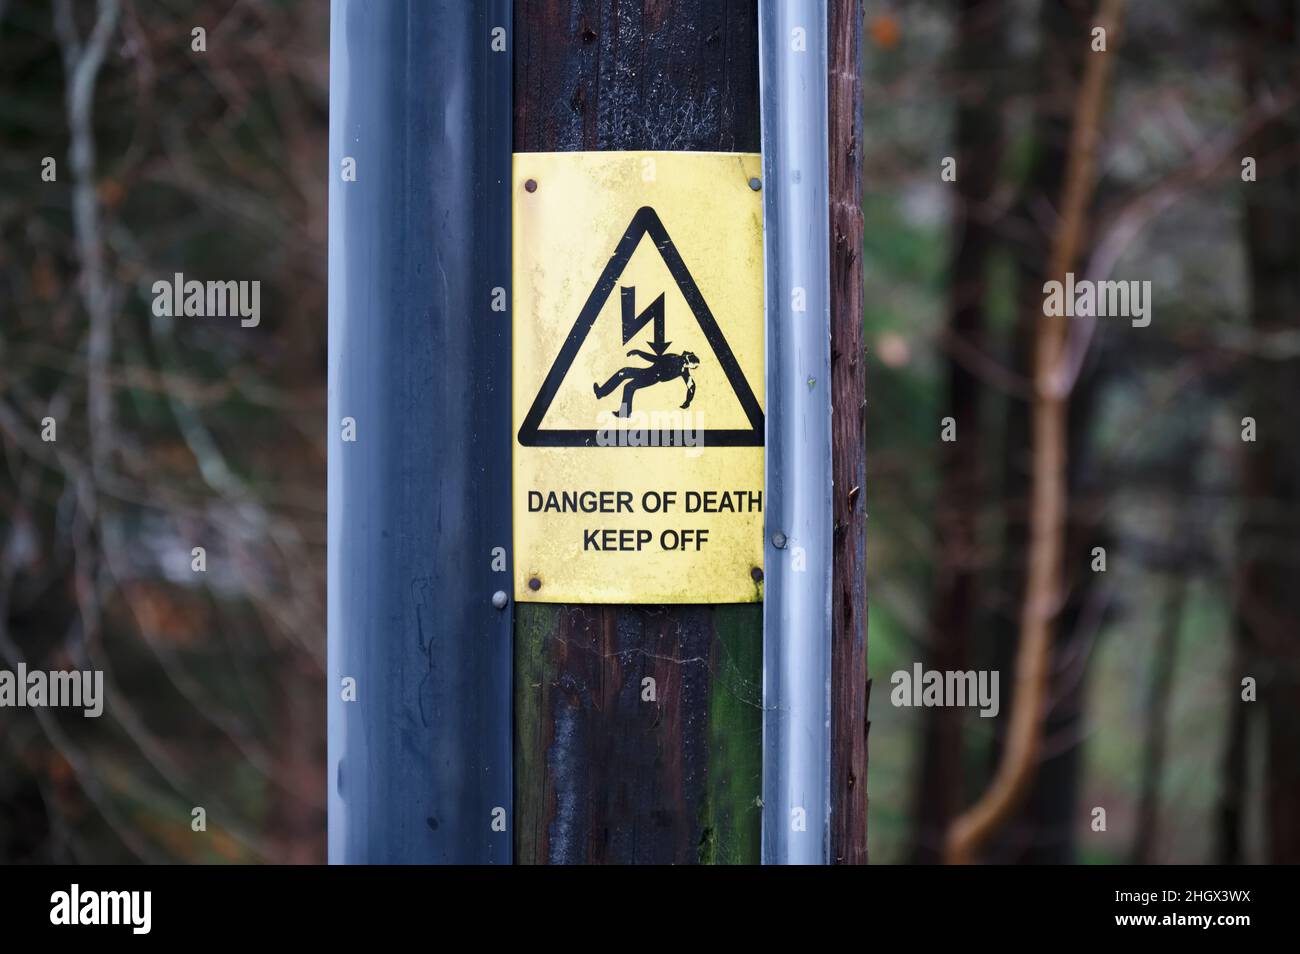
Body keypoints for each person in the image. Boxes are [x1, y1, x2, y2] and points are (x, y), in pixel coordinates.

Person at [594, 349, 699, 417]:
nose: (684, 359)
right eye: (686, 358)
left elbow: (691, 386)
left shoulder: (679, 366)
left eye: (687, 362)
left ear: (688, 364)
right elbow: (691, 386)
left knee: (629, 386)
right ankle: (601, 393)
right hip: (648, 372)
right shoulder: (677, 361)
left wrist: (639, 352)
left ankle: (624, 412)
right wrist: (688, 401)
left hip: (651, 377)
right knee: (624, 372)